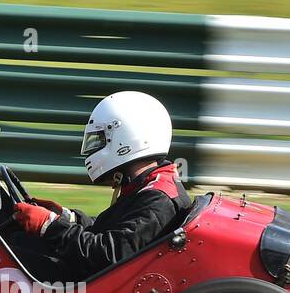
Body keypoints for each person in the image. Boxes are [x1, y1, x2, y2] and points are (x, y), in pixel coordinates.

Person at [10, 91, 192, 282]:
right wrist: (65, 216)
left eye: (100, 139)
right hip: (96, 277)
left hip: (99, 287)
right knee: (19, 241)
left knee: (3, 256)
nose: (94, 147)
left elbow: (107, 254)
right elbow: (110, 230)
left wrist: (49, 225)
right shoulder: (148, 185)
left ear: (126, 139)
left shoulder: (158, 199)